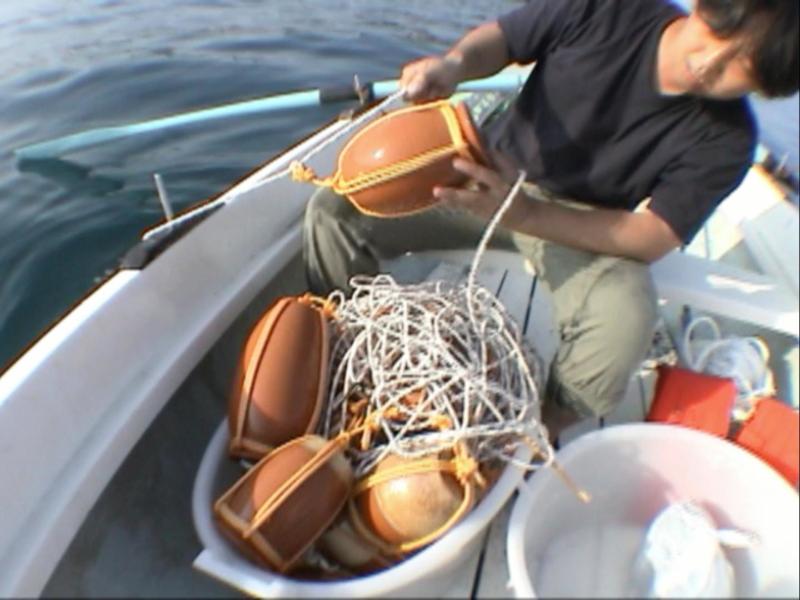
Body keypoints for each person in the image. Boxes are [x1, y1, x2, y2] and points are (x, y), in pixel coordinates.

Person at [303, 0, 799, 442]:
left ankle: (533, 428)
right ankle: (348, 346)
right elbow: (504, 39)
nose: (712, 63)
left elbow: (651, 236)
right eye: (718, 35)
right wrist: (453, 63)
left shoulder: (728, 142)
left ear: (763, 87)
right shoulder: (607, 10)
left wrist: (527, 212)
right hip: (487, 172)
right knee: (336, 211)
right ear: (702, 6)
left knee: (624, 317)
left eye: (742, 67)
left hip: (579, 220)